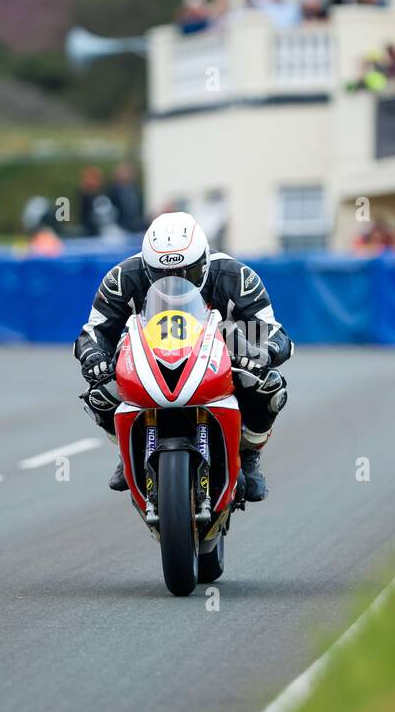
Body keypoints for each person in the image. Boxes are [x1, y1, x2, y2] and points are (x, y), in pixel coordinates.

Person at [73, 212, 293, 500]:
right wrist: (94, 357)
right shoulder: (122, 278)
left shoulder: (235, 276)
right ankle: (126, 452)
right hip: (144, 358)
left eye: (185, 273)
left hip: (220, 353)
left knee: (269, 386)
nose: (174, 282)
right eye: (162, 275)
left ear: (203, 261)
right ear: (147, 266)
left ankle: (248, 455)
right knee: (100, 393)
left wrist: (263, 353)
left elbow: (273, 332)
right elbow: (93, 332)